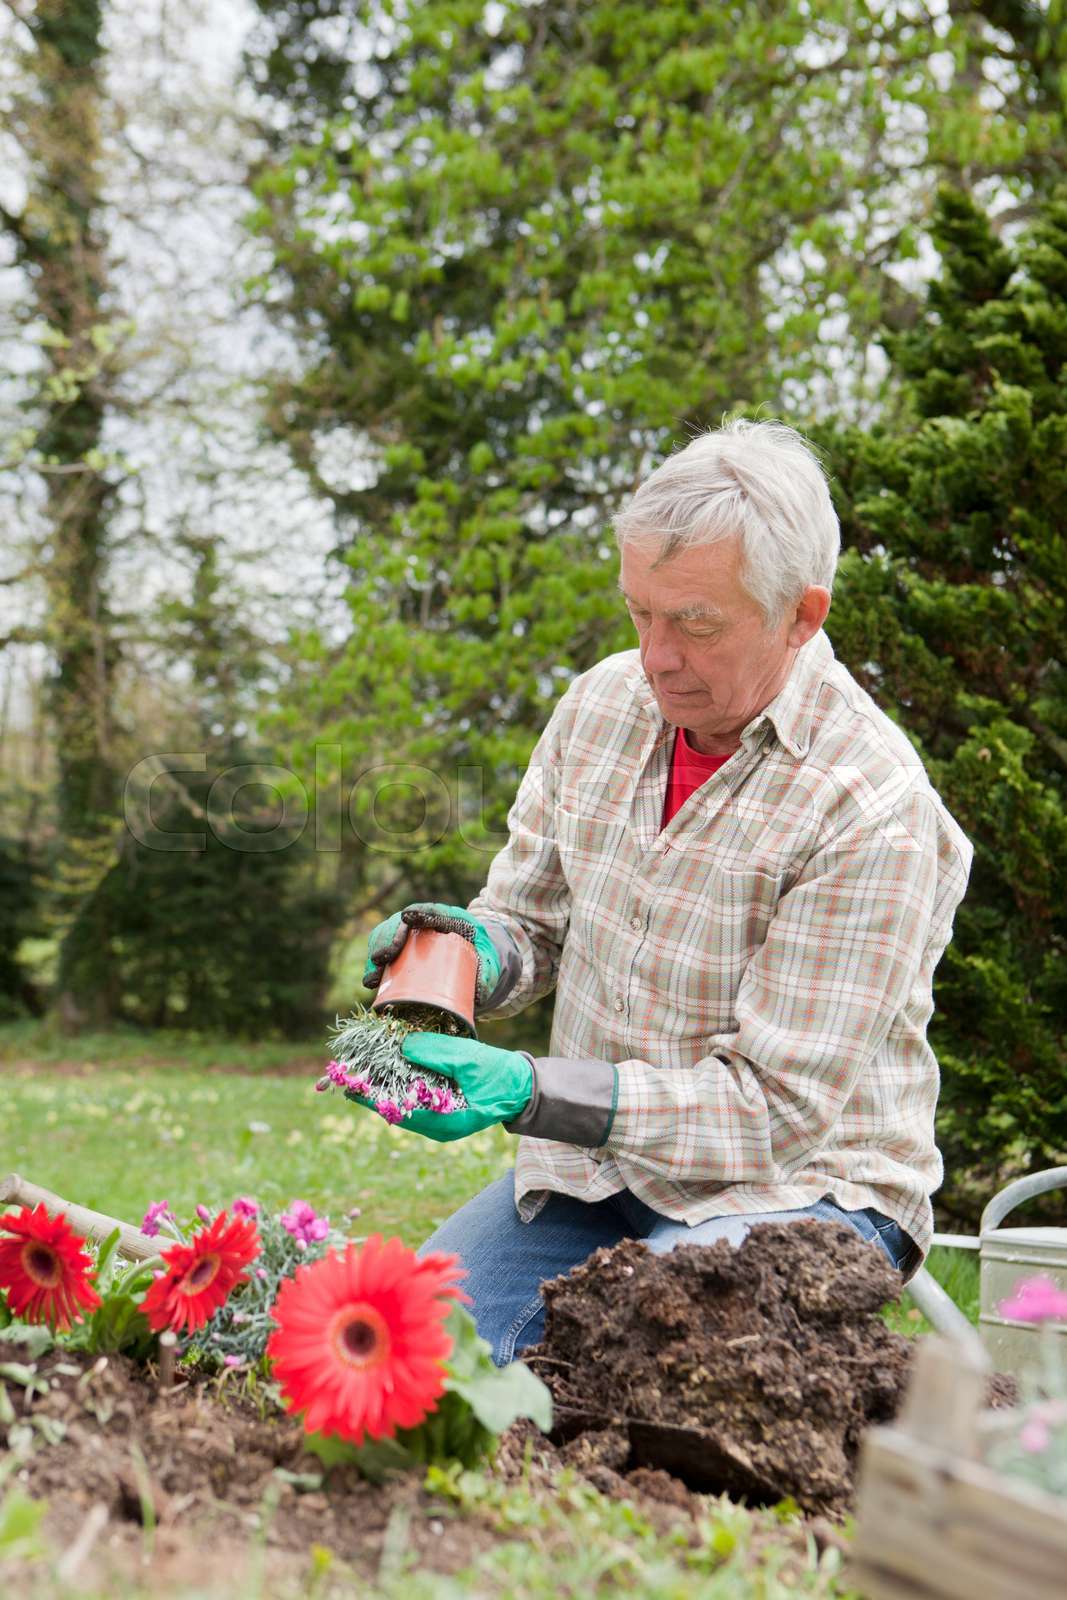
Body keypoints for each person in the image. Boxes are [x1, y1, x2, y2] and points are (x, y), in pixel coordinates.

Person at [359, 418, 973, 1365]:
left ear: (802, 617)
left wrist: (531, 1091)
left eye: (694, 624)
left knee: (642, 1377)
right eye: (640, 612)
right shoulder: (600, 709)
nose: (655, 656)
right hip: (597, 1173)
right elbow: (530, 922)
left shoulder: (870, 806)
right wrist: (468, 958)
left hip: (801, 1188)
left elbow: (770, 1114)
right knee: (403, 1358)